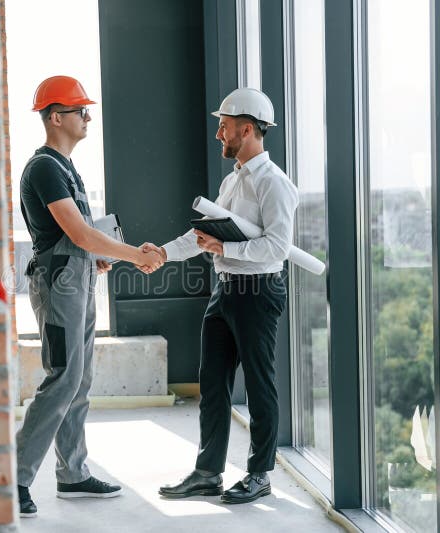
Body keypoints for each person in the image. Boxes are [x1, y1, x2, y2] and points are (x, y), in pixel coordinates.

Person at [16, 75, 164, 517]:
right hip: (60, 283)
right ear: (55, 116)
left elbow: (80, 237)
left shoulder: (66, 168)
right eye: (80, 110)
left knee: (78, 381)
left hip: (77, 280)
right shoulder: (43, 168)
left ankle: (73, 473)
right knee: (62, 379)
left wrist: (99, 257)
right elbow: (78, 232)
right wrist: (134, 256)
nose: (88, 117)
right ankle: (15, 479)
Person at [147, 88, 299, 504]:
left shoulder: (275, 184)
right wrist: (163, 253)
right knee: (212, 384)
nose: (219, 134)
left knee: (259, 385)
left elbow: (277, 248)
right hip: (225, 290)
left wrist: (225, 249)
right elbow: (203, 236)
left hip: (258, 292)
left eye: (225, 126)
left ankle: (260, 474)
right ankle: (208, 473)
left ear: (247, 129)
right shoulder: (232, 180)